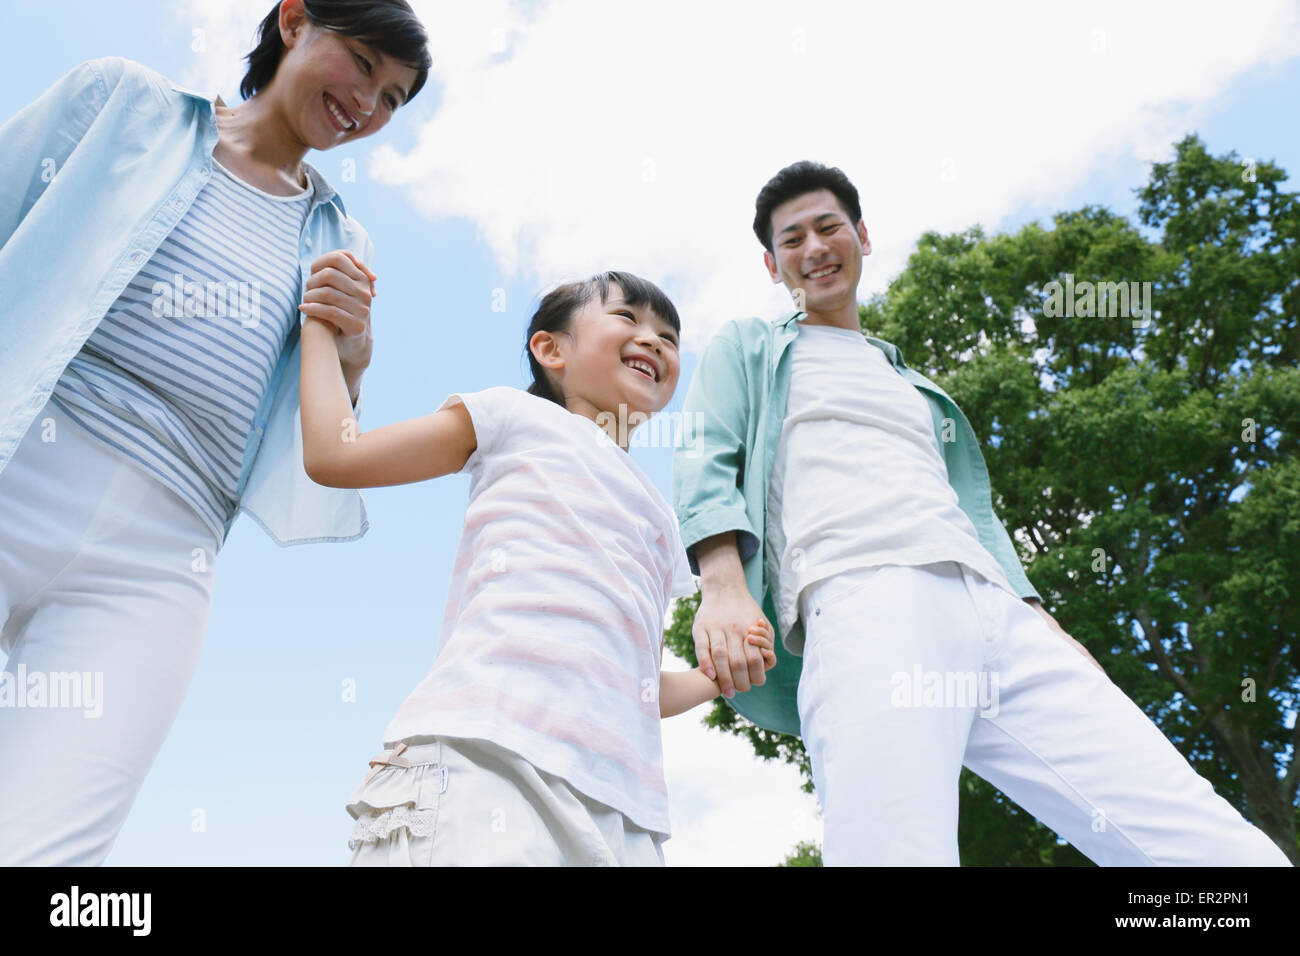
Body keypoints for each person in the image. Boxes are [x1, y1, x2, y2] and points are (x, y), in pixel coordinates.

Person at [671, 159, 1293, 866]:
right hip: (867, 597)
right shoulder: (752, 347)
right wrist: (721, 586)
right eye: (792, 239)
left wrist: (1041, 617)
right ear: (772, 262)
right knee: (896, 849)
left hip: (1001, 617)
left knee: (1200, 840)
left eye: (828, 227)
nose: (814, 248)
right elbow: (704, 453)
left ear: (862, 237)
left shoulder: (917, 388)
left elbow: (975, 516)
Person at [0, 0, 431, 865]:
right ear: (294, 19)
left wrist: (355, 357)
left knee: (51, 846)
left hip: (165, 555)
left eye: (392, 98)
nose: (368, 107)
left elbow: (328, 443)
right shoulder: (124, 105)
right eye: (363, 64)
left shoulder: (340, 239)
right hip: (28, 461)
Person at [298, 271, 776, 865]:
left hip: (624, 812)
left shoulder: (660, 518)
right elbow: (334, 455)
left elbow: (641, 686)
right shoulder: (514, 419)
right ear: (551, 350)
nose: (654, 340)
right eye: (627, 318)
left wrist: (722, 675)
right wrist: (320, 327)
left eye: (669, 336)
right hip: (488, 757)